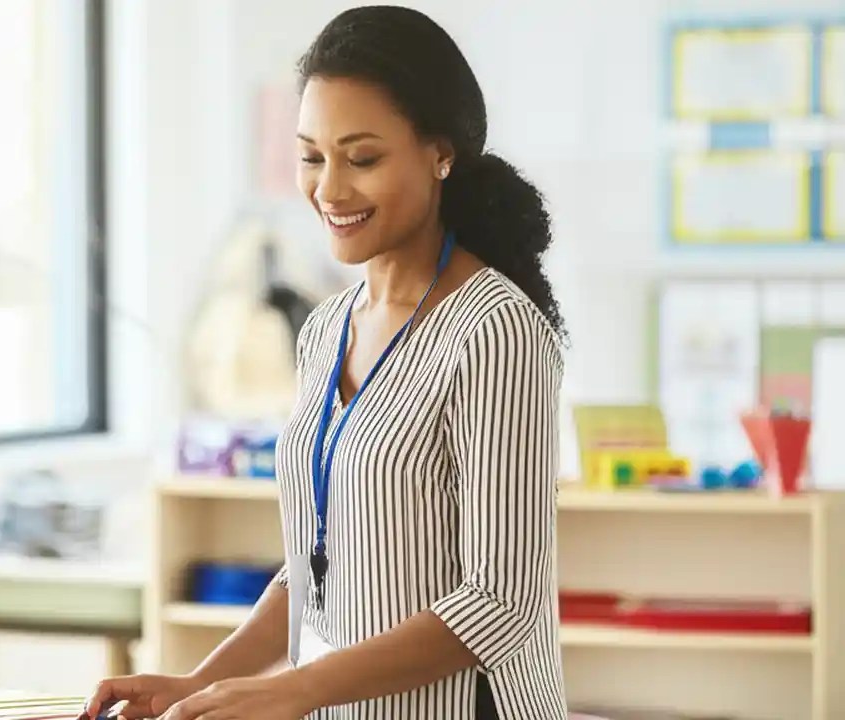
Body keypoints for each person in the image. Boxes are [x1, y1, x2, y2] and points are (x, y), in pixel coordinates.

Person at [81, 5, 568, 719]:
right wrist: (199, 684)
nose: (330, 190)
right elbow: (319, 562)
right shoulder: (324, 330)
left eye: (362, 158)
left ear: (441, 153)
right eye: (312, 156)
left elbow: (499, 601)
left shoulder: (495, 331)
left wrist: (298, 686)